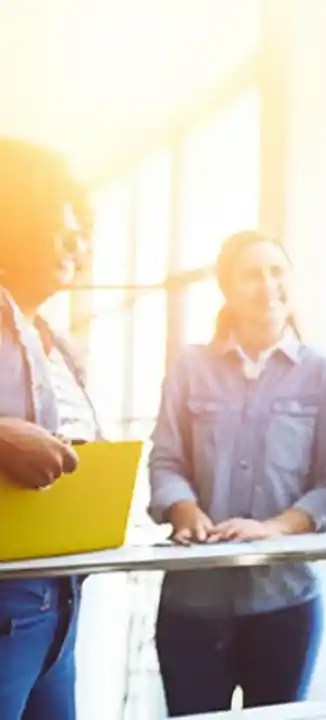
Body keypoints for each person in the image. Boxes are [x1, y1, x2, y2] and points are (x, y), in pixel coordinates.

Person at [147, 230, 326, 715]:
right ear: (227, 288)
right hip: (193, 602)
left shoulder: (323, 374)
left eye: (277, 272)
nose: (267, 285)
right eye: (252, 275)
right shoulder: (190, 367)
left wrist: (276, 528)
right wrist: (185, 510)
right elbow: (166, 459)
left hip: (285, 601)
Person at [0, 138, 100, 720]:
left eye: (81, 233)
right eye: (61, 229)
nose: (77, 246)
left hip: (59, 601)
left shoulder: (56, 342)